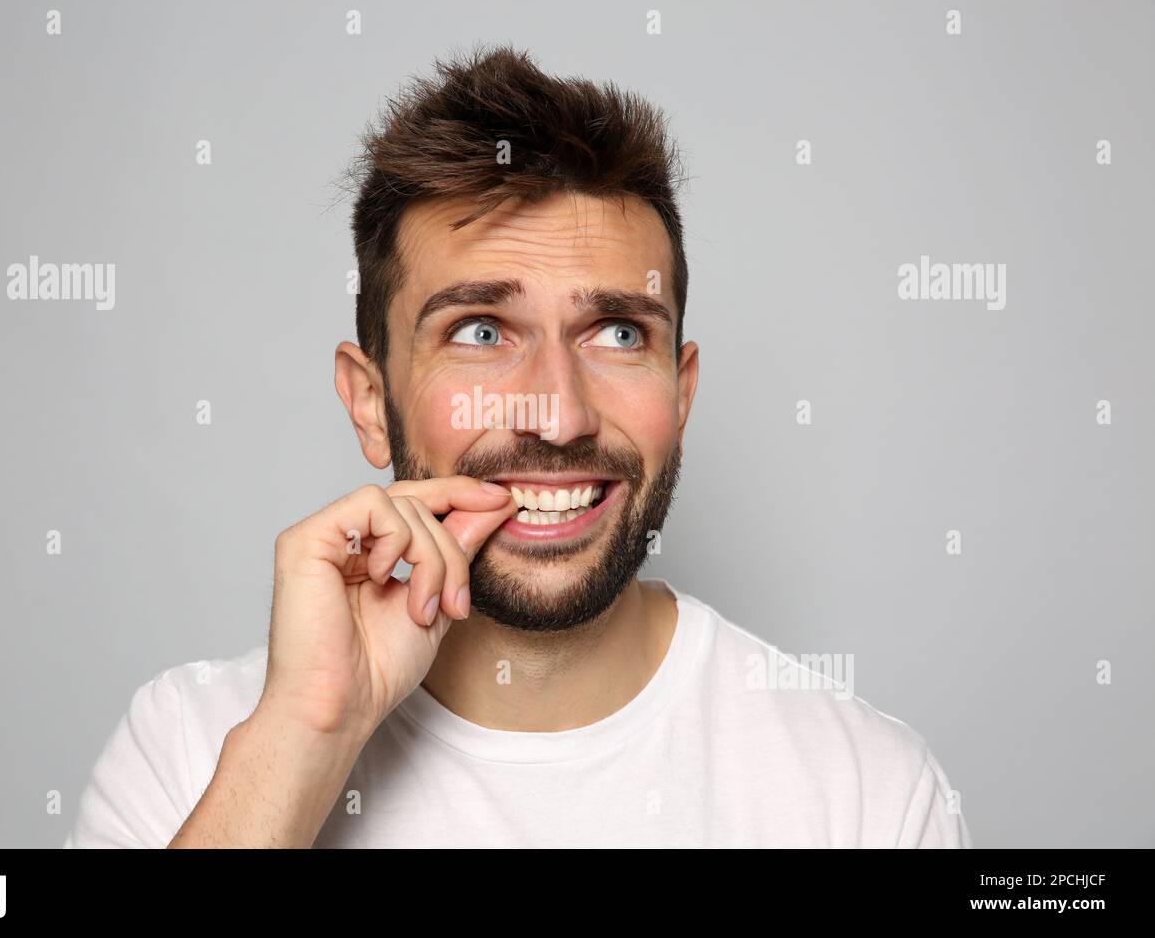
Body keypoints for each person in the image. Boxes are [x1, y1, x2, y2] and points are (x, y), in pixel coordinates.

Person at [65, 45, 972, 848]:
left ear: (681, 393)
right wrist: (311, 734)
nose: (559, 415)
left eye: (618, 334)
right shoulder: (194, 750)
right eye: (482, 331)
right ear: (371, 400)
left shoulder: (866, 794)